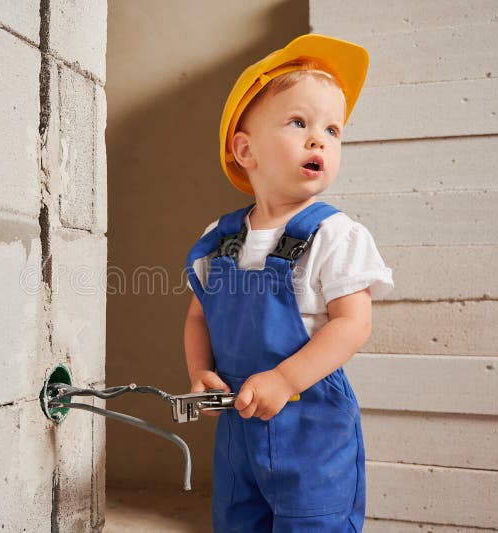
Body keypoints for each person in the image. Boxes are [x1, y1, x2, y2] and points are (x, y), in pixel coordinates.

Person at [184, 34, 394, 532]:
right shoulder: (220, 239)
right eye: (298, 122)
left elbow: (352, 324)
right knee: (239, 521)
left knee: (313, 524)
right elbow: (198, 317)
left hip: (312, 429)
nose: (319, 139)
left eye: (332, 129)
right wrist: (199, 373)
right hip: (240, 430)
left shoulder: (335, 236)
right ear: (245, 148)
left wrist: (285, 379)